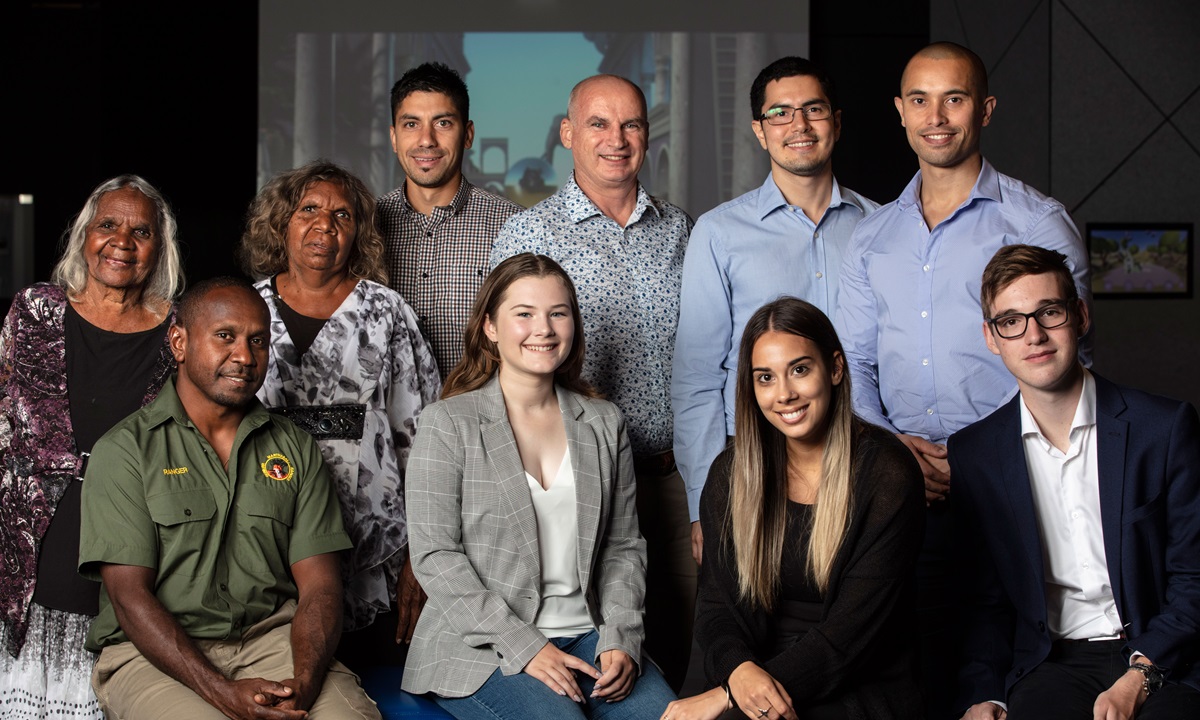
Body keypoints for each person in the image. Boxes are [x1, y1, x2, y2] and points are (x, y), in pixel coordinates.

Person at [832, 42, 1091, 718]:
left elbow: (1067, 362)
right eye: (920, 100)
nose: (936, 117)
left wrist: (979, 455)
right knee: (910, 673)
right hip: (901, 486)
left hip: (1016, 480)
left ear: (986, 109)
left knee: (1007, 674)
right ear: (899, 111)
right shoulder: (872, 236)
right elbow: (853, 363)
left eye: (955, 98)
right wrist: (894, 452)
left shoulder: (1037, 222)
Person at [79, 277, 380, 720]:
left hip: (272, 642)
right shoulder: (125, 451)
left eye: (258, 341)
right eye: (225, 336)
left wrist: (304, 683)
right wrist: (223, 693)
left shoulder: (294, 448)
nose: (244, 356)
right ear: (179, 342)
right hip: (152, 655)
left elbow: (320, 586)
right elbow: (129, 599)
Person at [402, 253, 676, 719]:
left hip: (589, 634)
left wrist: (621, 637)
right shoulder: (448, 422)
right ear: (490, 326)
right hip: (481, 645)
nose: (543, 329)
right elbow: (435, 555)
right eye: (524, 314)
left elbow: (623, 546)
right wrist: (524, 645)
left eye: (558, 313)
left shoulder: (604, 423)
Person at [490, 74, 695, 690]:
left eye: (631, 124)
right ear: (567, 133)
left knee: (684, 649)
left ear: (647, 135)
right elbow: (506, 361)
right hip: (579, 490)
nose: (616, 139)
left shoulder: (681, 230)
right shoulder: (529, 236)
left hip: (675, 478)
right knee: (599, 666)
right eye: (599, 124)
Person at [951, 245, 1200, 720]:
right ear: (991, 337)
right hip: (1051, 662)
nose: (1034, 335)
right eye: (1011, 321)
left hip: (1163, 651)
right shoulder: (976, 454)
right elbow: (984, 603)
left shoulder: (1164, 429)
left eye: (1049, 312)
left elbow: (1194, 578)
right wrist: (985, 695)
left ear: (1080, 316)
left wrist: (1140, 675)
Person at [663, 298, 924, 720]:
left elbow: (851, 636)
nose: (784, 394)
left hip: (858, 677)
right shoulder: (731, 474)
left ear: (835, 369)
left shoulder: (887, 473)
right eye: (765, 378)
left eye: (800, 370)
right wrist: (738, 673)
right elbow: (716, 608)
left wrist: (728, 696)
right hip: (752, 671)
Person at [672, 56, 879, 566]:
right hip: (756, 464)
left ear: (836, 121)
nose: (799, 125)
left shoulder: (881, 226)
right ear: (759, 131)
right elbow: (697, 379)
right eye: (780, 113)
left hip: (865, 458)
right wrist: (703, 503)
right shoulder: (719, 233)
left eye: (813, 109)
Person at [238, 160, 441, 663]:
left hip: (373, 539)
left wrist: (422, 554)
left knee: (371, 681)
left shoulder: (387, 312)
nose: (325, 225)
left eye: (342, 215)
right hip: (263, 536)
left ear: (359, 235)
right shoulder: (243, 309)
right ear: (282, 222)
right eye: (309, 209)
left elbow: (425, 441)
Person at [0, 175, 183, 719]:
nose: (121, 242)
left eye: (141, 231)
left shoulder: (181, 333)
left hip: (128, 552)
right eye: (107, 225)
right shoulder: (34, 312)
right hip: (25, 555)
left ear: (160, 247)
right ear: (84, 235)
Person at [378, 62, 524, 379]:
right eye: (411, 124)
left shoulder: (514, 226)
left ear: (467, 134)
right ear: (394, 137)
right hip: (385, 412)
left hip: (481, 409)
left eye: (443, 123)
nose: (426, 140)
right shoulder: (365, 226)